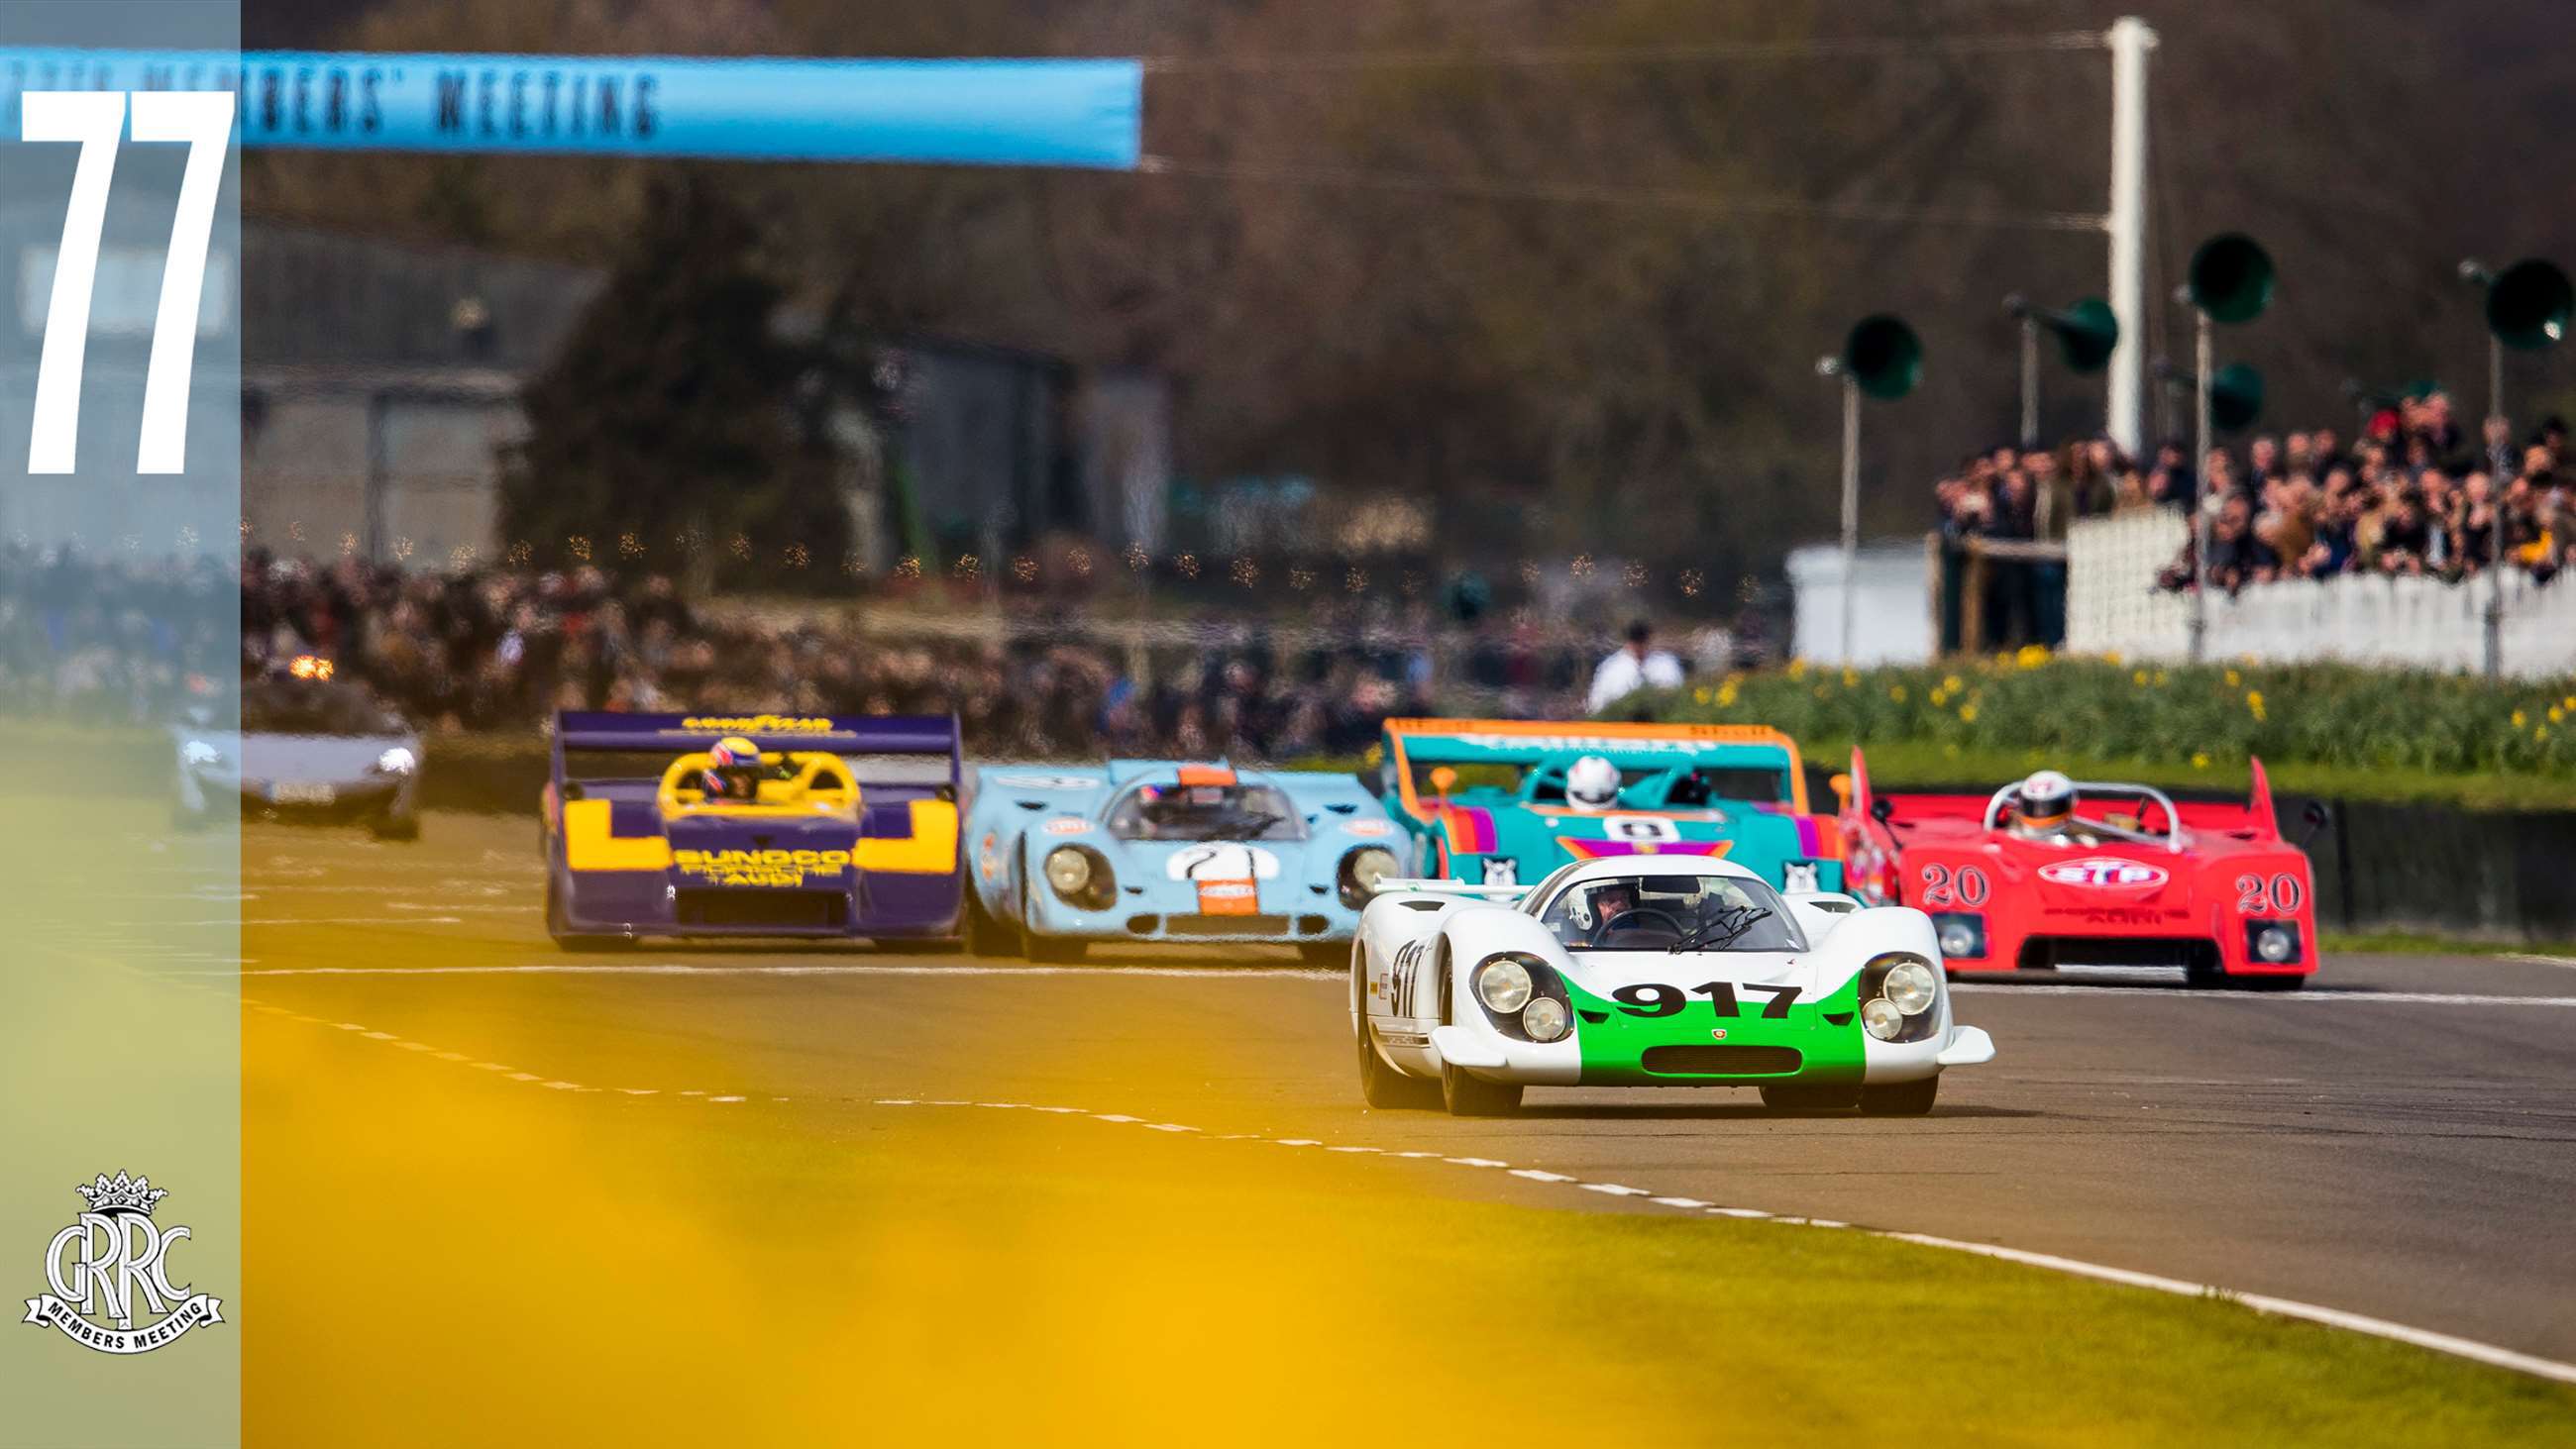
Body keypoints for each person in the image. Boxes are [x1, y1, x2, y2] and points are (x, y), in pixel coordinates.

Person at [1586, 619, 1683, 714]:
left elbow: (1678, 694)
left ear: (1648, 641)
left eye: (1642, 642)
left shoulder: (1666, 664)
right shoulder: (1610, 668)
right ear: (1628, 642)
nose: (1639, 647)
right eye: (1635, 642)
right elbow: (1597, 703)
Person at [2007, 770, 2082, 842]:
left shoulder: (2080, 840)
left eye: (2047, 807)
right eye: (2031, 806)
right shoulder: (2010, 833)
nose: (2039, 812)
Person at [699, 736, 767, 801]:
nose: (747, 779)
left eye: (750, 773)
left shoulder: (765, 810)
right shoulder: (693, 811)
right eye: (737, 772)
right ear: (717, 774)